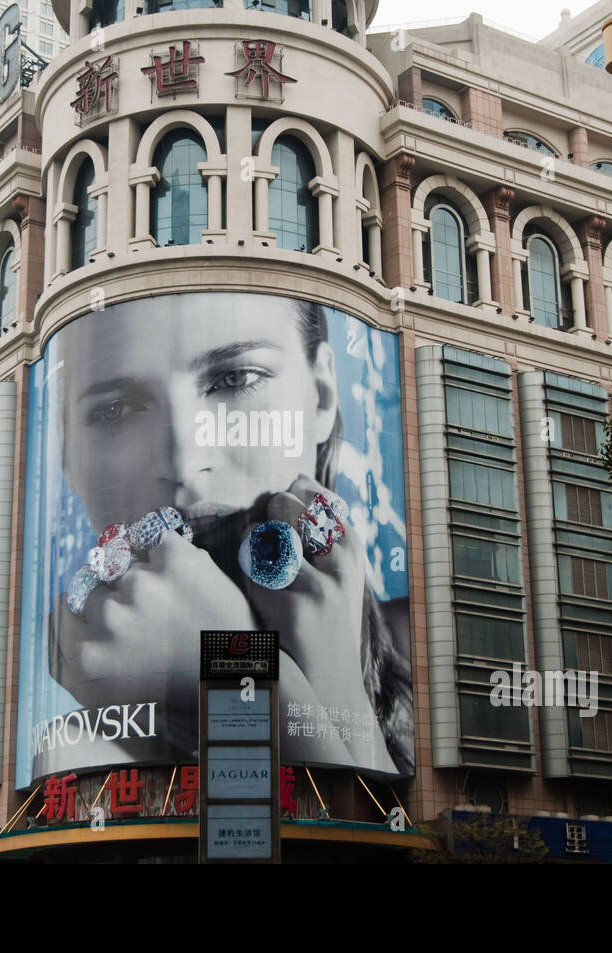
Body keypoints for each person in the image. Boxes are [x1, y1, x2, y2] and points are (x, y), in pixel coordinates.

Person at [38, 291, 412, 776]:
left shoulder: (427, 649)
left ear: (321, 393)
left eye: (234, 379)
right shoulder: (77, 751)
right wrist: (257, 668)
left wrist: (234, 660)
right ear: (67, 454)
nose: (183, 464)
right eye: (116, 410)